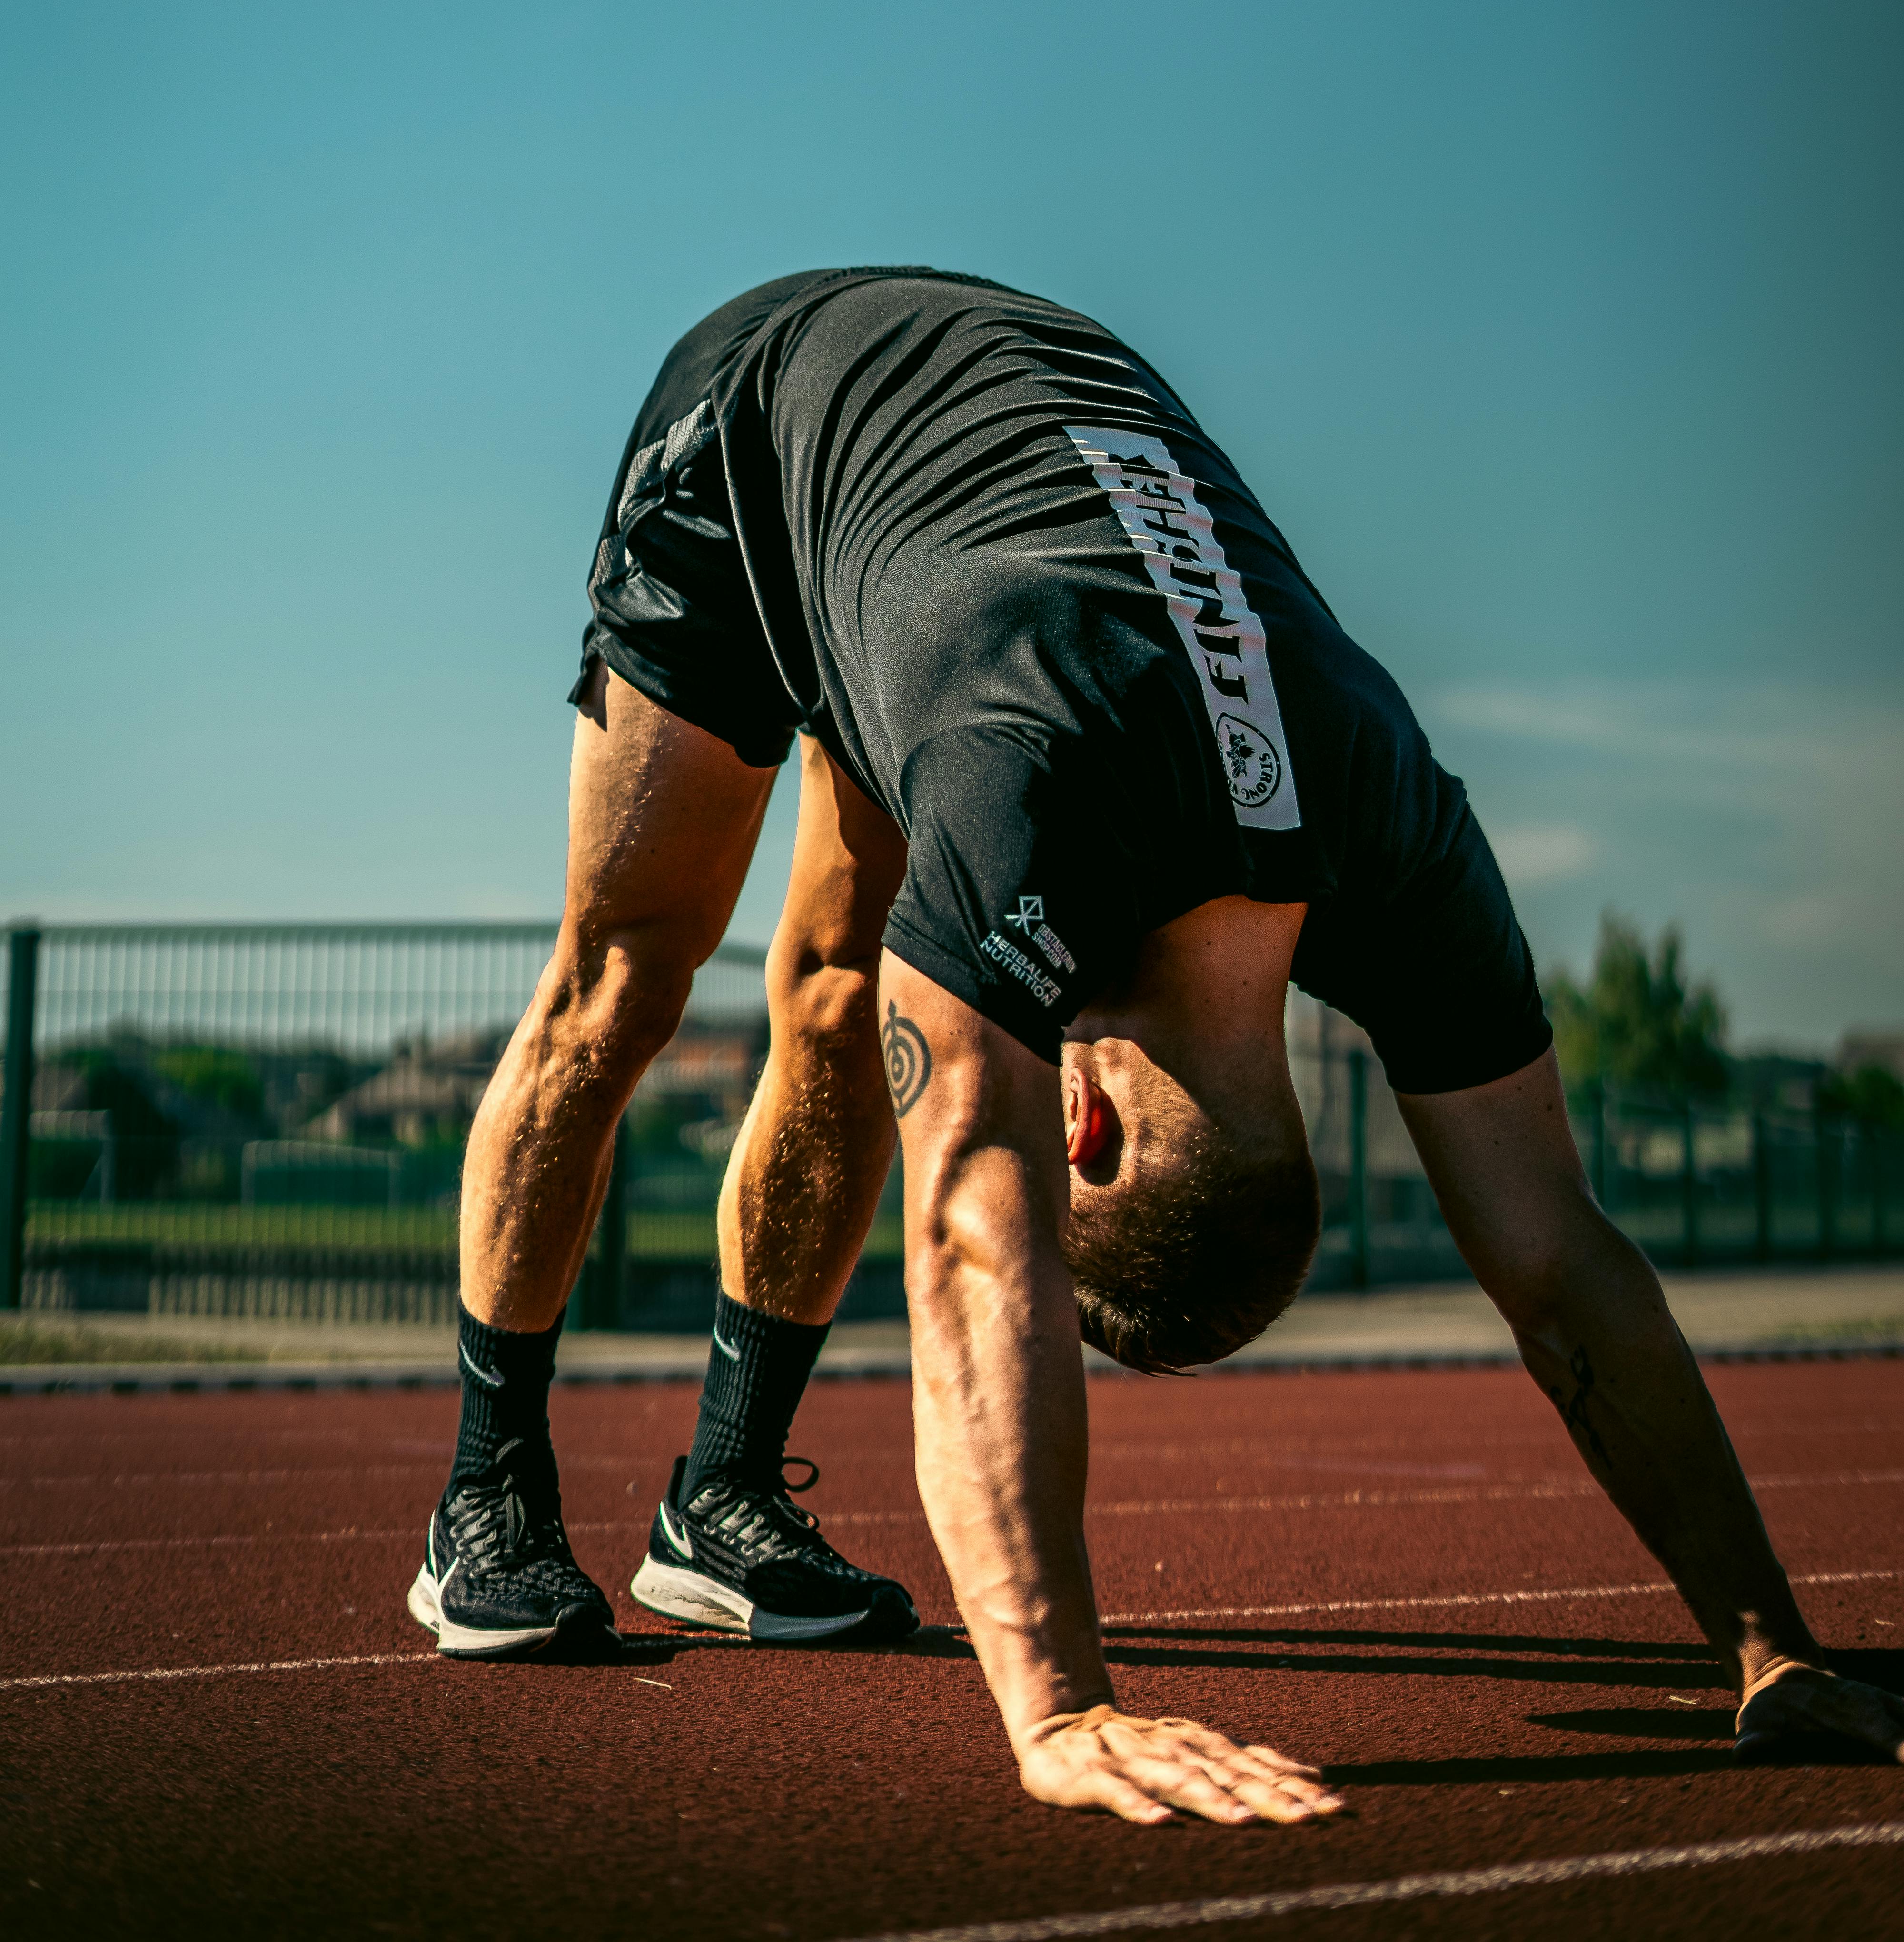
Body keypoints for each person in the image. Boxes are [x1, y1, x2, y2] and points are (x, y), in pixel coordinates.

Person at [409, 267, 1904, 1816]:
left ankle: (719, 1501)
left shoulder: (1400, 830)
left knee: (846, 997)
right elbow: (974, 1246)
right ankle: (485, 1496)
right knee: (631, 974)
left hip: (974, 497)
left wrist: (1770, 1651)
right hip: (771, 414)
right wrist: (1058, 1709)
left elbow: (1560, 1260)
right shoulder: (1034, 784)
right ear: (1091, 1135)